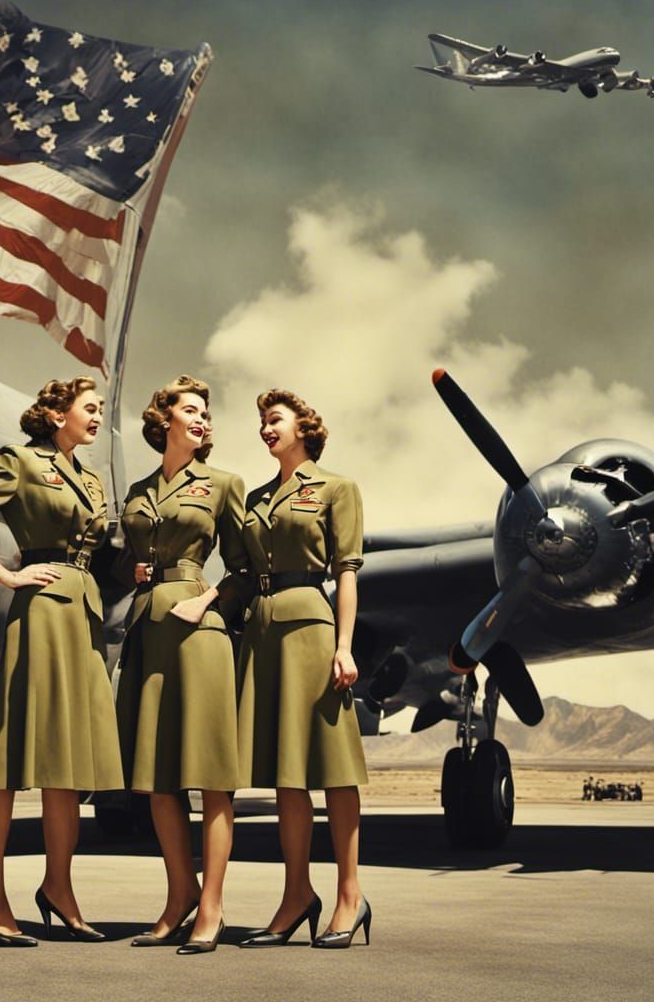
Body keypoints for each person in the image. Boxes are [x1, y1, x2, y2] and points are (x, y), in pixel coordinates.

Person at [0, 377, 124, 947]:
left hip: (81, 617)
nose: (97, 418)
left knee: (69, 766)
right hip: (39, 612)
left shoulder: (91, 479)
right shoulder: (19, 461)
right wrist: (5, 574)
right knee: (9, 759)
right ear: (58, 414)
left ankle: (59, 890)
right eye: (89, 410)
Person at [115, 376, 248, 955]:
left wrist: (208, 597)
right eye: (191, 410)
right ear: (163, 418)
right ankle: (180, 895)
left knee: (210, 778)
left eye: (206, 413)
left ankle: (212, 907)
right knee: (157, 781)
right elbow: (124, 561)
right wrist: (135, 577)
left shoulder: (223, 485)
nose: (203, 419)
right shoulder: (139, 491)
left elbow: (246, 570)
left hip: (199, 630)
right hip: (148, 631)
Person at [236, 389, 371, 951]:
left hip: (313, 627)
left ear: (303, 428)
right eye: (262, 422)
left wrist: (345, 646)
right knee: (285, 774)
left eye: (275, 421)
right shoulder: (258, 496)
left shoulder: (337, 488)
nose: (266, 429)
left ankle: (349, 895)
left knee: (334, 767)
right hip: (262, 632)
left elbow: (346, 573)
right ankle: (296, 895)